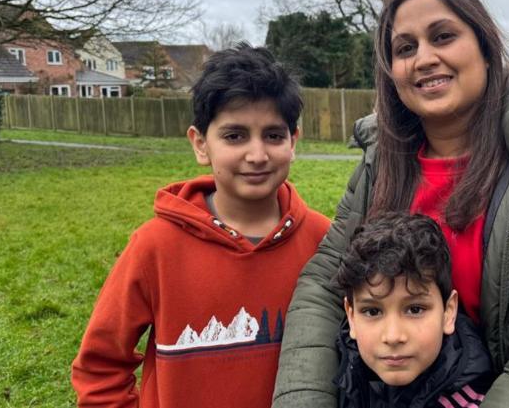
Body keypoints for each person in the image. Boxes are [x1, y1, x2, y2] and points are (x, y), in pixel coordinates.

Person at [273, 0, 509, 408]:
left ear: (485, 49)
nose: (424, 58)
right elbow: (324, 288)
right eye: (405, 48)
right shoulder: (379, 163)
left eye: (443, 36)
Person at [71, 43, 331, 408]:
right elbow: (100, 367)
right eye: (234, 136)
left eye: (273, 135)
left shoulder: (325, 242)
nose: (257, 155)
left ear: (293, 142)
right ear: (200, 144)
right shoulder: (154, 247)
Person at [334, 212, 492, 408]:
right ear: (351, 317)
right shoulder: (334, 377)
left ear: (449, 312)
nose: (393, 336)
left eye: (415, 309)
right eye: (372, 312)